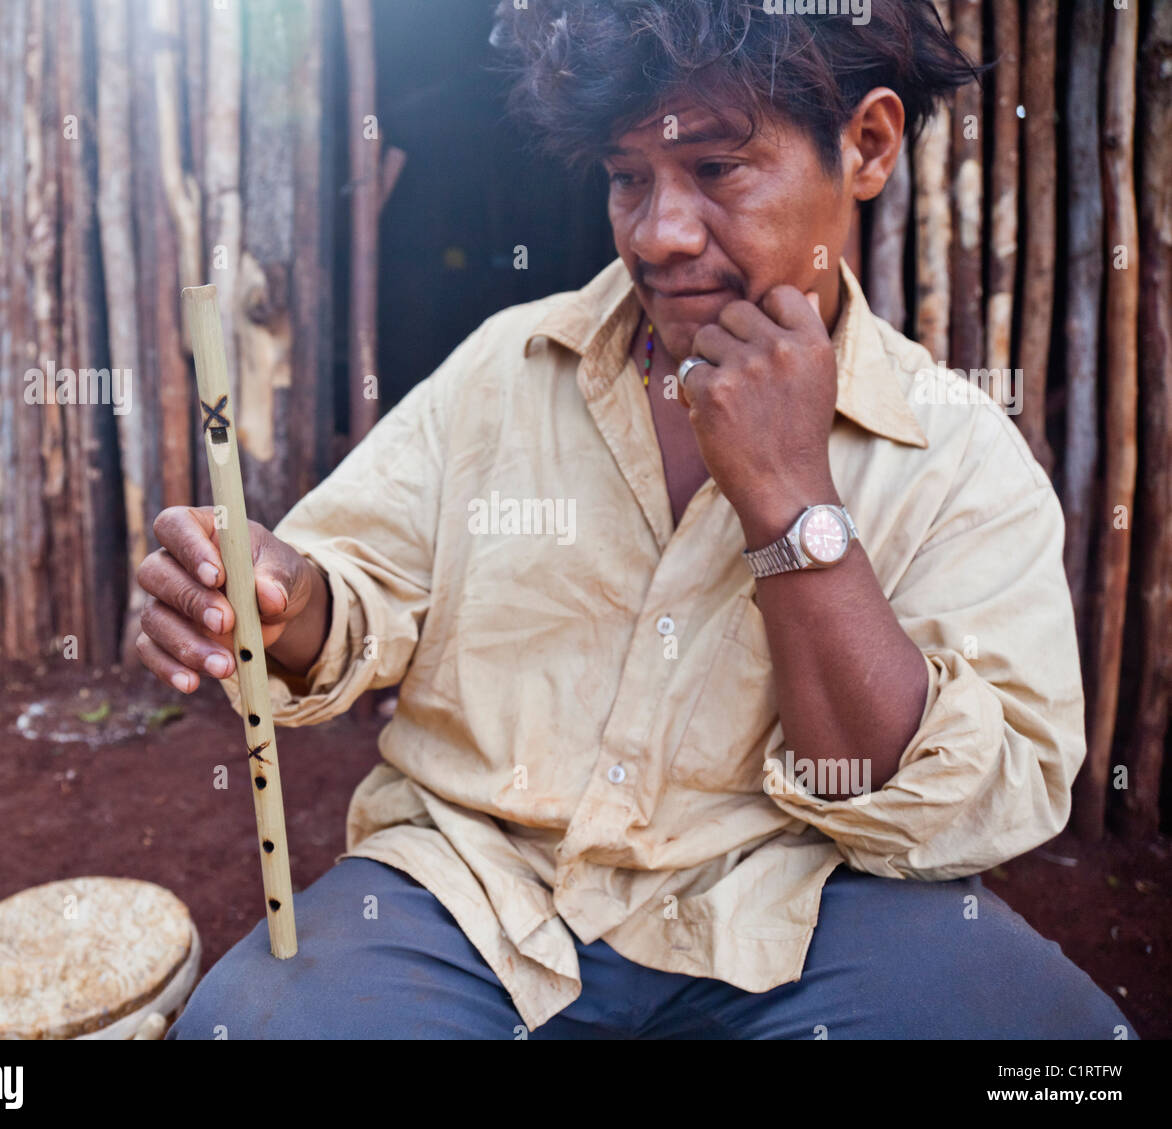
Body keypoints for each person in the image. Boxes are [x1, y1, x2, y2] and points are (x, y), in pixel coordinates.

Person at [139, 0, 1134, 1038]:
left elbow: (965, 809)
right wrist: (277, 596)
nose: (660, 233)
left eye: (718, 168)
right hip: (474, 894)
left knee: (1054, 1048)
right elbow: (348, 591)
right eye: (627, 177)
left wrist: (790, 503)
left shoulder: (957, 452)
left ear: (868, 145)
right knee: (254, 1026)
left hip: (804, 908)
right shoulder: (507, 368)